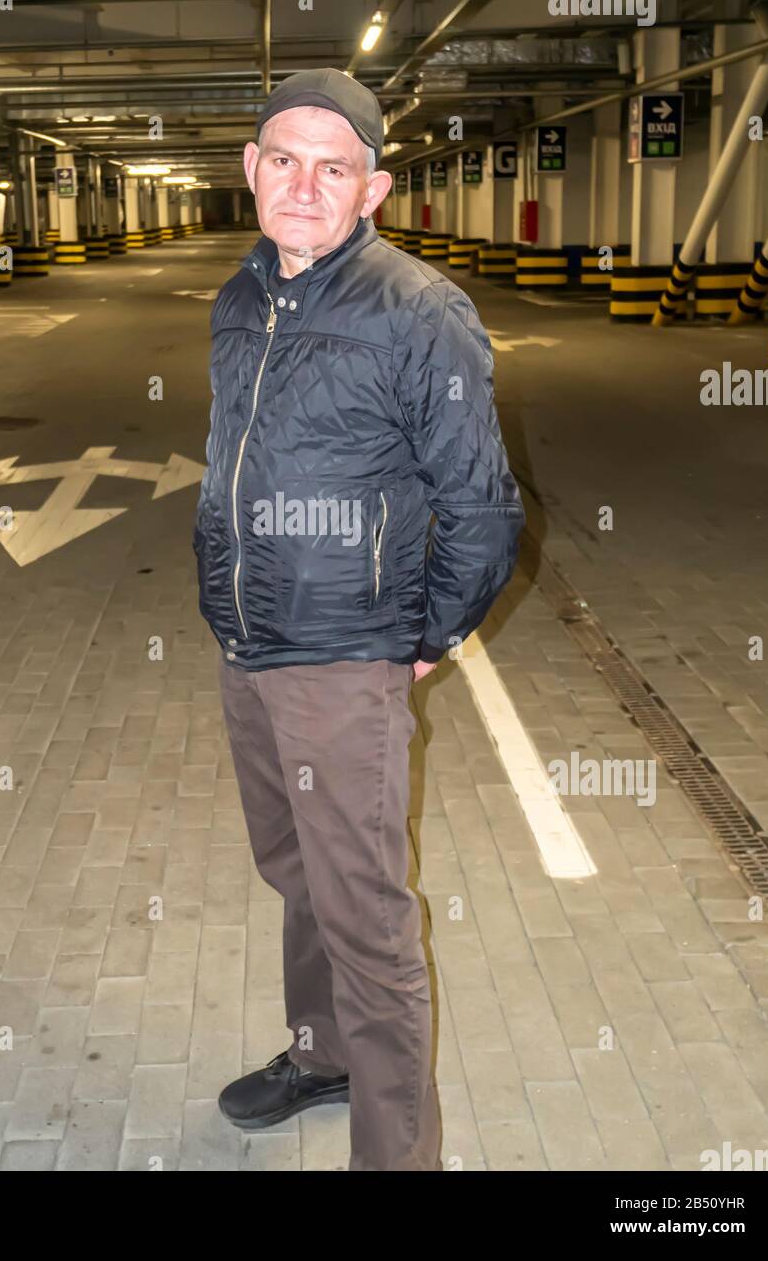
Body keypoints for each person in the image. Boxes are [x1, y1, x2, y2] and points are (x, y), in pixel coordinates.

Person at [192, 67, 524, 1171]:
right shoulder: (241, 297)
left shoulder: (420, 312)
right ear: (251, 168)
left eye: (332, 168)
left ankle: (398, 1158)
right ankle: (319, 1050)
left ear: (371, 190)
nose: (302, 184)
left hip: (344, 661)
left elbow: (482, 504)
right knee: (298, 874)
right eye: (282, 159)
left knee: (369, 923)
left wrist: (424, 638)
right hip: (248, 648)